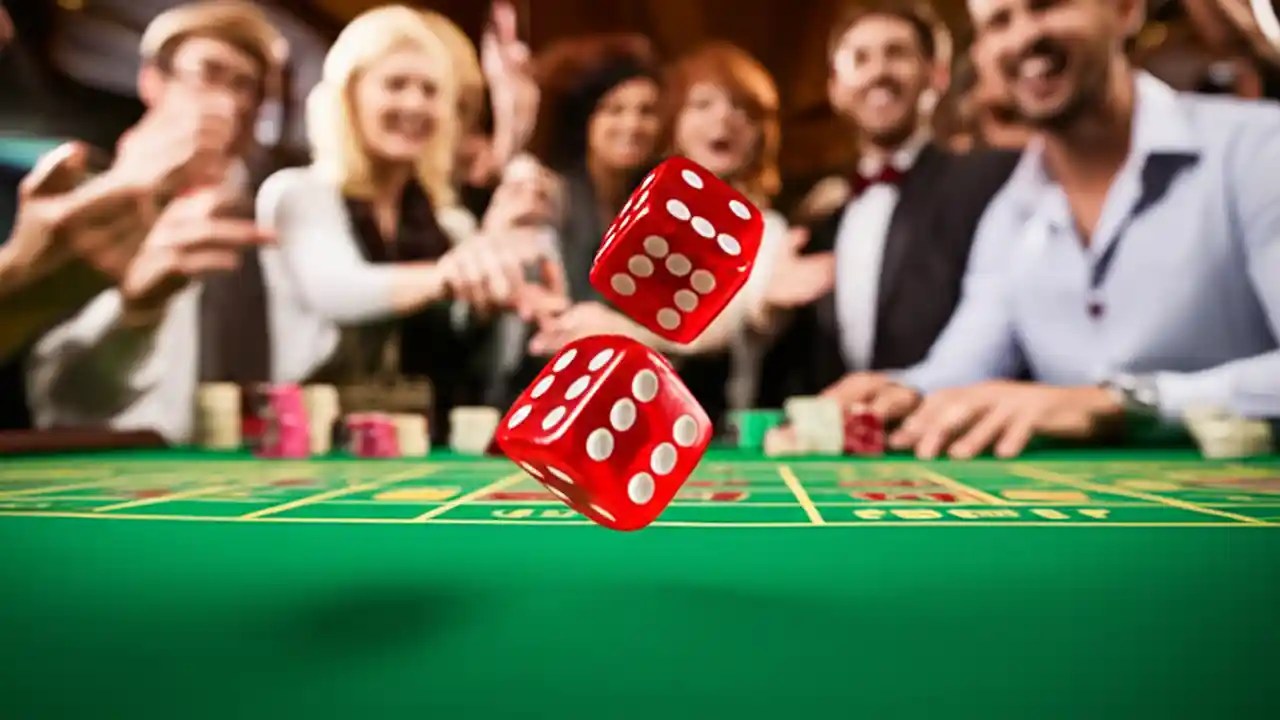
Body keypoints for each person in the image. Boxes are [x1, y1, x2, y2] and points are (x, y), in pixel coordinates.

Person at [826, 0, 1280, 460]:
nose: (1024, 36)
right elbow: (963, 364)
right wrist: (901, 392)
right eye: (999, 22)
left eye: (1047, 5)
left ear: (1125, 10)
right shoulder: (1008, 212)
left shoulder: (1260, 150)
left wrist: (1128, 403)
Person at [256, 5, 560, 443]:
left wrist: (506, 300)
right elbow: (339, 291)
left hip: (425, 448)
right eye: (395, 85)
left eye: (430, 90)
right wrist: (450, 274)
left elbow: (485, 368)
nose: (414, 104)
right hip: (314, 445)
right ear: (350, 94)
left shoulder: (451, 225)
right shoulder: (297, 194)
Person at [25, 0, 283, 442]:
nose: (229, 101)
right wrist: (135, 310)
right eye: (210, 73)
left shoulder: (258, 218)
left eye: (246, 87)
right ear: (152, 82)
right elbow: (52, 400)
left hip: (231, 474)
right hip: (97, 474)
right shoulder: (77, 198)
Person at [755, 0, 1020, 409]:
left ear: (937, 75)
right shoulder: (820, 217)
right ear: (836, 88)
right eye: (860, 59)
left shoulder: (989, 182)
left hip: (964, 439)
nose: (879, 72)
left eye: (896, 53)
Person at [527, 41, 789, 418]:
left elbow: (718, 330)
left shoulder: (771, 229)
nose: (724, 121)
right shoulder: (628, 203)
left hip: (708, 416)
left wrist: (615, 331)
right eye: (702, 105)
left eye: (743, 109)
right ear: (674, 122)